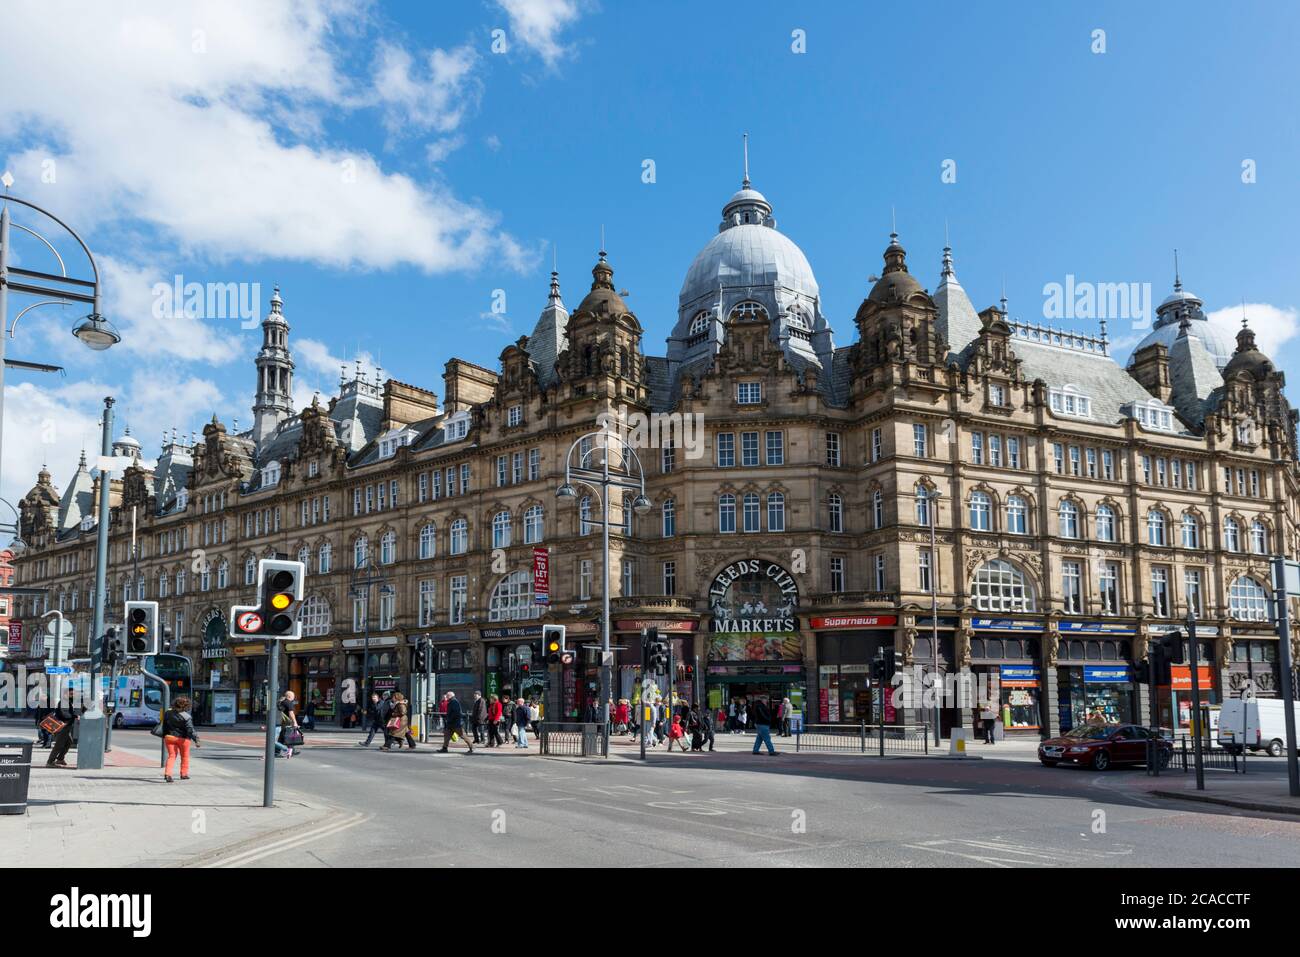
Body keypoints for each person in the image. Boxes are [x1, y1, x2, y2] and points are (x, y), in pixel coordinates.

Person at [162, 695, 201, 782]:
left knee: (171, 756)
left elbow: (164, 725)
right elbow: (190, 730)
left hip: (169, 737)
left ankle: (168, 774)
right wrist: (196, 739)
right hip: (183, 739)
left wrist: (165, 735)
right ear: (186, 706)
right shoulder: (187, 716)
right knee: (184, 757)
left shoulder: (167, 713)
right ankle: (184, 774)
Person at [45, 691, 78, 768]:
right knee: (59, 745)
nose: (73, 695)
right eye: (71, 694)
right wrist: (74, 716)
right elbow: (64, 714)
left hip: (66, 726)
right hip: (62, 727)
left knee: (69, 742)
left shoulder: (68, 702)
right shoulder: (63, 702)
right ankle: (50, 761)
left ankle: (60, 758)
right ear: (65, 694)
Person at [276, 691, 300, 757]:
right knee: (290, 737)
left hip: (281, 722)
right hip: (287, 723)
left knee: (282, 737)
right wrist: (295, 722)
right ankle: (290, 751)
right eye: (293, 696)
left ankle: (276, 752)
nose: (294, 697)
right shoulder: (288, 702)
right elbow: (291, 713)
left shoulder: (281, 701)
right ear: (289, 696)